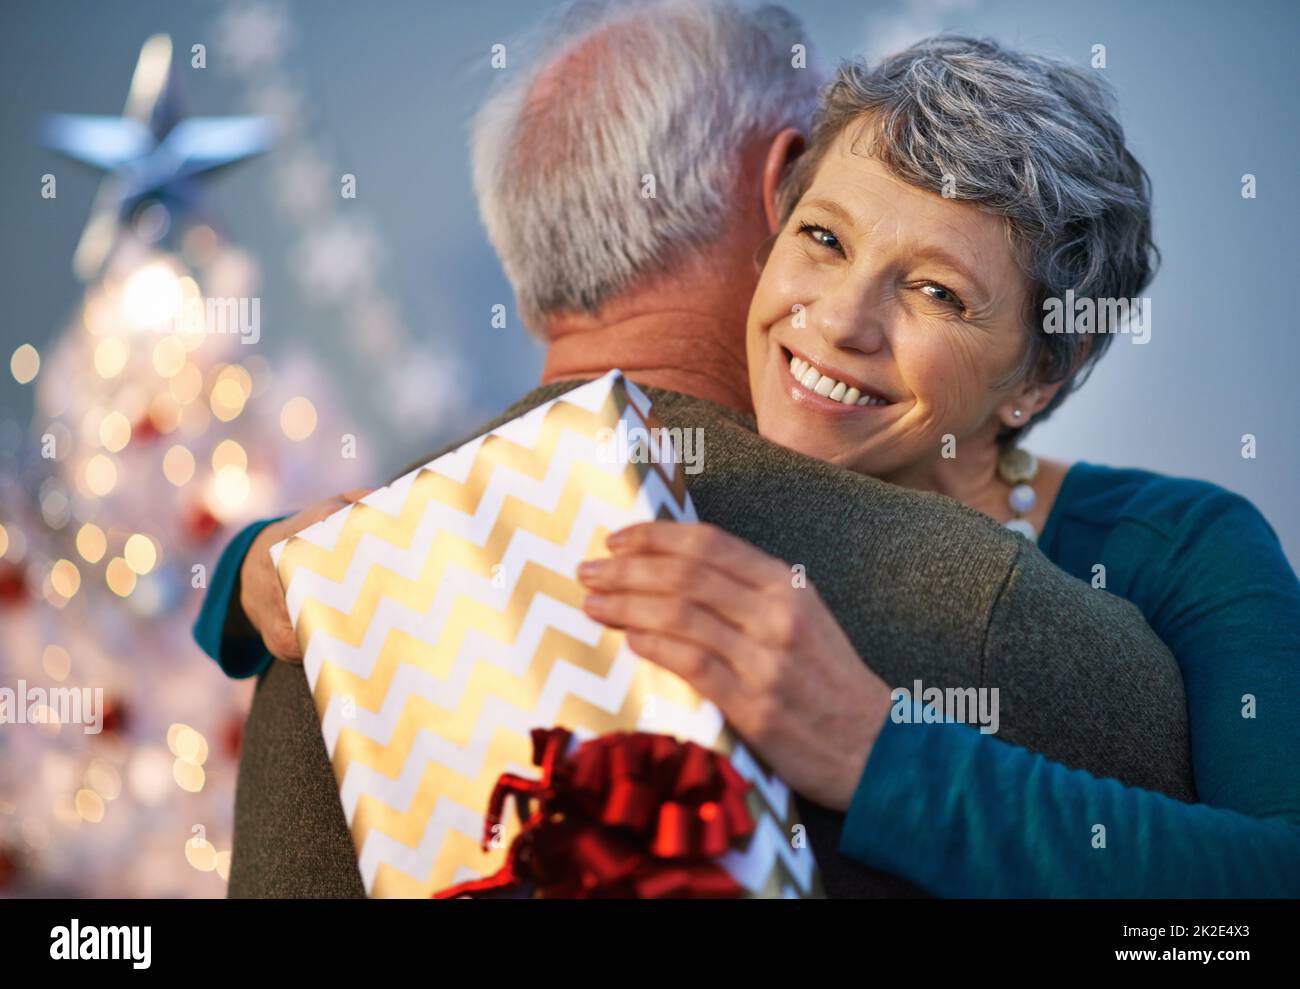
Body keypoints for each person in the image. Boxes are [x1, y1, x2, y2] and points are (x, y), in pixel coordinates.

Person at [194, 0, 1192, 898]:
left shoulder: (325, 598)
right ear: (782, 188)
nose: (847, 319)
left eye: (937, 290)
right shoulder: (1000, 611)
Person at [577, 36, 1300, 896]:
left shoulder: (1185, 545)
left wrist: (873, 752)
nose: (842, 320)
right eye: (824, 237)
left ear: (1040, 373)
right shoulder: (661, 468)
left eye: (937, 292)